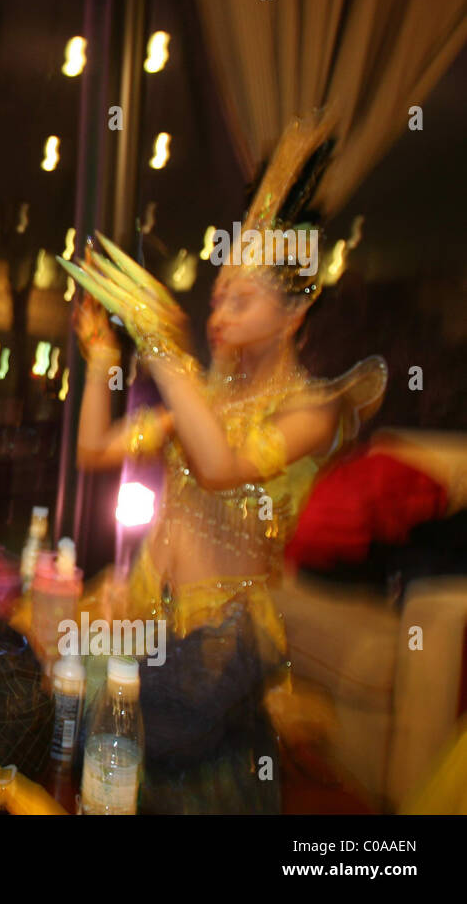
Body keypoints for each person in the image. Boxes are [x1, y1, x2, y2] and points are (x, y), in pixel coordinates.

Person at [62, 114, 387, 813]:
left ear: (294, 311)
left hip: (218, 649)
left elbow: (220, 465)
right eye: (216, 298)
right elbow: (95, 450)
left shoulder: (314, 410)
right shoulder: (205, 400)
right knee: (94, 758)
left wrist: (161, 343)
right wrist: (104, 357)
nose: (217, 315)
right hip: (147, 612)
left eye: (241, 300)